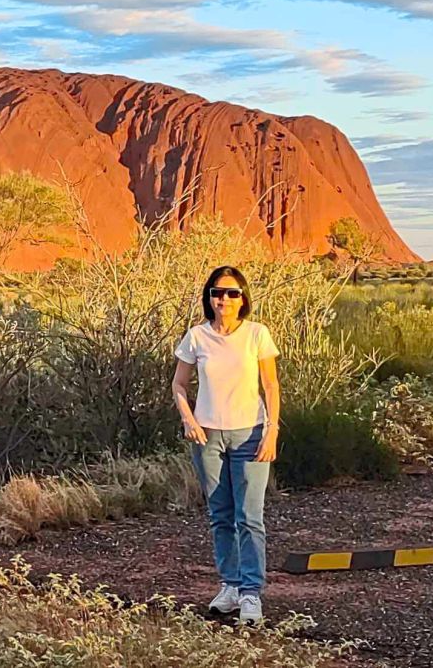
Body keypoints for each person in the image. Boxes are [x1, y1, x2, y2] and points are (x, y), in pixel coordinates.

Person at [171, 265, 281, 625]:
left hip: (250, 434)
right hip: (208, 436)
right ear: (209, 297)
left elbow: (271, 386)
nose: (225, 299)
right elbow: (178, 384)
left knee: (249, 517)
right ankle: (230, 586)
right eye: (218, 292)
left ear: (243, 298)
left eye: (232, 293)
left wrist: (272, 430)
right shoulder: (196, 337)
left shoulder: (256, 334)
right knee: (220, 515)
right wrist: (188, 419)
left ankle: (251, 593)